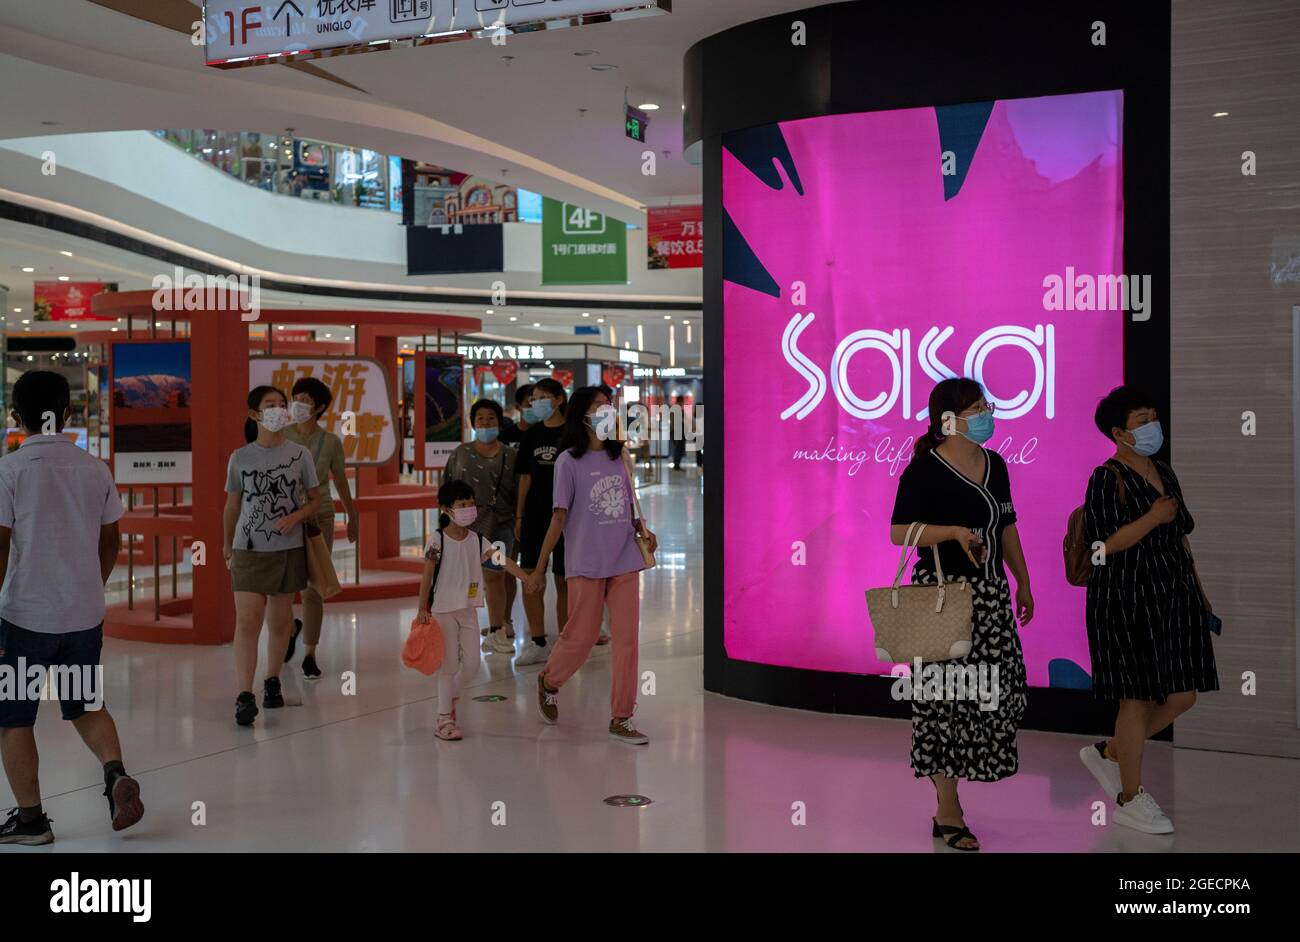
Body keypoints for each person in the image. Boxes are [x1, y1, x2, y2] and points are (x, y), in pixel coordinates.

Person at [0, 371, 144, 844]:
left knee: (14, 717)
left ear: (16, 416)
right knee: (85, 704)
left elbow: (0, 548)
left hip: (24, 618)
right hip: (83, 618)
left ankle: (31, 821)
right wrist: (89, 588)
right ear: (68, 414)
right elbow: (111, 541)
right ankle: (114, 773)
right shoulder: (95, 468)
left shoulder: (10, 471)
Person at [888, 377, 1030, 851]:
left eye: (986, 405)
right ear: (949, 419)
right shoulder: (924, 470)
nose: (987, 413)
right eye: (976, 408)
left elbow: (1006, 525)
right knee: (941, 701)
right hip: (940, 595)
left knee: (992, 693)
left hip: (990, 597)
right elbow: (899, 533)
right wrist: (950, 532)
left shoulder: (996, 464)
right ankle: (948, 807)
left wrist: (1023, 579)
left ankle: (961, 787)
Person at [1078, 386, 1218, 834]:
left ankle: (1113, 753)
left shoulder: (1164, 471)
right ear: (1119, 432)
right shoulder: (1106, 477)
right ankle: (1129, 798)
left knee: (1184, 693)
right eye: (1142, 420)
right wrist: (1151, 519)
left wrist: (1198, 590)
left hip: (1173, 593)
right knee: (1134, 699)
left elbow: (1180, 534)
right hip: (1123, 599)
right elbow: (1100, 548)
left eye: (1153, 416)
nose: (1153, 425)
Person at [527, 386, 658, 745]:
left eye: (608, 405)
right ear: (581, 415)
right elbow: (558, 517)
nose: (607, 410)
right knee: (581, 637)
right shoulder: (568, 461)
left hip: (624, 559)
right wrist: (539, 568)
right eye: (599, 405)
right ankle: (550, 680)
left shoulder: (619, 457)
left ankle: (622, 717)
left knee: (627, 641)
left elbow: (627, 506)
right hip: (585, 561)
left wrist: (643, 530)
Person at [224, 386, 321, 727]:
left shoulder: (300, 454)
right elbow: (232, 504)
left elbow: (316, 499)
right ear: (254, 415)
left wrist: (296, 516)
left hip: (288, 549)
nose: (279, 410)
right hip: (247, 549)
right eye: (270, 405)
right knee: (247, 621)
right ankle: (244, 694)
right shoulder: (240, 457)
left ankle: (272, 680)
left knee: (279, 623)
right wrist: (226, 545)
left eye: (282, 404)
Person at [416, 480, 531, 740]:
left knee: (472, 664)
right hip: (443, 609)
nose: (468, 509)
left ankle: (451, 696)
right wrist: (422, 608)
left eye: (471, 503)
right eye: (462, 504)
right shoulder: (437, 540)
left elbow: (502, 559)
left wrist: (525, 577)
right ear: (446, 509)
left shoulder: (477, 540)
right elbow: (427, 576)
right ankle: (443, 719)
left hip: (468, 610)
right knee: (448, 666)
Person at [282, 376, 357, 680]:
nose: (299, 404)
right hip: (283, 518)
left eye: (307, 400)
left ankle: (310, 652)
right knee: (284, 585)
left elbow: (340, 480)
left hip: (319, 518)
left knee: (313, 589)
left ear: (320, 407)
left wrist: (353, 516)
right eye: (296, 397)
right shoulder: (281, 435)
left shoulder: (330, 442)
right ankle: (288, 628)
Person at [444, 399, 518, 655]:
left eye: (491, 418)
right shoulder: (461, 454)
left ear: (499, 422)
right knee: (461, 580)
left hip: (501, 524)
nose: (486, 423)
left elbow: (519, 492)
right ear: (472, 423)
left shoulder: (511, 455)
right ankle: (459, 636)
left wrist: (519, 520)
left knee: (495, 576)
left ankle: (498, 630)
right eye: (480, 419)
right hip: (464, 527)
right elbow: (447, 490)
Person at [515, 378, 569, 665]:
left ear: (559, 399)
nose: (537, 403)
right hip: (535, 516)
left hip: (567, 518)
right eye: (534, 398)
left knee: (565, 580)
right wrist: (520, 515)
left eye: (543, 397)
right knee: (530, 577)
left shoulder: (573, 435)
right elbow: (525, 477)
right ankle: (537, 641)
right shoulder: (531, 435)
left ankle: (566, 642)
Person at [497, 383, 535, 447]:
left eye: (537, 405)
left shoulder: (546, 434)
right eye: (530, 405)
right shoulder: (505, 436)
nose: (534, 408)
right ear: (518, 407)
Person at [670, 394, 688, 470]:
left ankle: (676, 464)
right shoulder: (679, 409)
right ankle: (676, 465)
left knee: (677, 448)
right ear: (681, 401)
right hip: (678, 431)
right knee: (679, 448)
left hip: (673, 431)